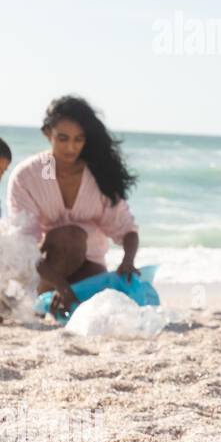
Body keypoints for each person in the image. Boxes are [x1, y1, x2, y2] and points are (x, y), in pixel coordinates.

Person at [6, 96, 141, 316]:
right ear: (47, 133)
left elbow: (126, 229)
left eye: (79, 139)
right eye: (62, 138)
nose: (71, 147)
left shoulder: (98, 175)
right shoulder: (28, 176)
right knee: (72, 236)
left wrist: (128, 261)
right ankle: (37, 300)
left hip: (91, 267)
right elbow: (25, 245)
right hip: (46, 270)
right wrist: (60, 284)